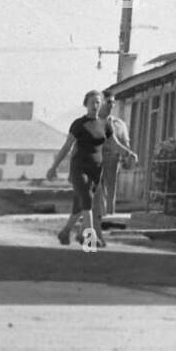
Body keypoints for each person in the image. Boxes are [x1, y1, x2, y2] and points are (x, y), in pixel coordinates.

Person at [46, 89, 130, 248]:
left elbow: (114, 144)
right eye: (92, 103)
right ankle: (91, 239)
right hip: (79, 169)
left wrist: (128, 153)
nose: (95, 105)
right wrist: (54, 167)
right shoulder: (79, 124)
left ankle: (65, 232)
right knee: (87, 200)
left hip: (96, 171)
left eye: (98, 102)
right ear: (86, 105)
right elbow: (66, 147)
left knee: (80, 206)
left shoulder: (105, 125)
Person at [97, 92, 136, 220]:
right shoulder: (93, 121)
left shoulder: (119, 123)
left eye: (113, 102)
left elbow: (124, 142)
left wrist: (127, 157)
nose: (111, 105)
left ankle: (109, 217)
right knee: (98, 189)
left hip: (113, 160)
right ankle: (99, 217)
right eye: (108, 102)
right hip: (96, 159)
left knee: (111, 189)